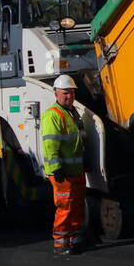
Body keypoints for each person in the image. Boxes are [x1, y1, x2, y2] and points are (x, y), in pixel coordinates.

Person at [42, 74, 87, 256]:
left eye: (71, 93)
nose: (69, 96)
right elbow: (50, 145)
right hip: (63, 174)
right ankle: (60, 244)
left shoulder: (72, 113)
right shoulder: (53, 115)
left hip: (76, 171)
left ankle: (75, 241)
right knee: (65, 208)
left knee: (76, 207)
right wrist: (56, 169)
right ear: (56, 93)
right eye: (65, 93)